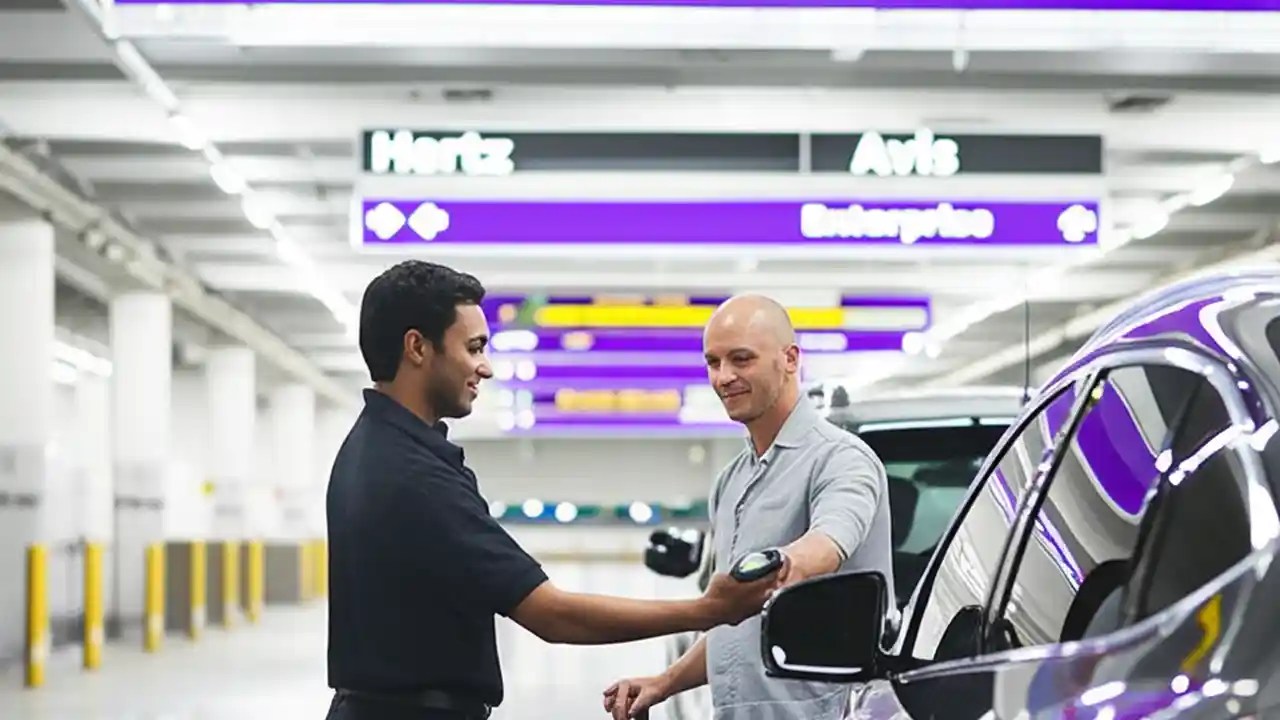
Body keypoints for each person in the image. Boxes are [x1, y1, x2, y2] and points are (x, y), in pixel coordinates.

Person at [324, 261, 786, 720]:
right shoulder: (413, 475)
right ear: (417, 348)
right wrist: (710, 609)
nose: (484, 367)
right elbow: (552, 614)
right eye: (473, 348)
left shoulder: (369, 448)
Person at [602, 294, 895, 720]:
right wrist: (665, 683)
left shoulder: (842, 460)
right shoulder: (731, 482)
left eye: (741, 359)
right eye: (713, 362)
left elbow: (828, 543)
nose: (724, 377)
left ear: (790, 359)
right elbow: (733, 626)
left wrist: (775, 566)